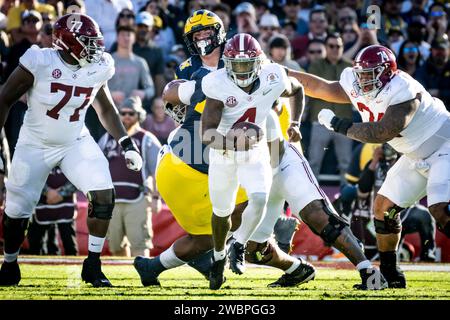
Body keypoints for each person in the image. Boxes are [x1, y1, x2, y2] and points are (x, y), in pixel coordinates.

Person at [134, 10, 307, 290]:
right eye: (197, 34)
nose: (202, 38)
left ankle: (157, 266)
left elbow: (283, 86)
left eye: (206, 32)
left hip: (215, 153)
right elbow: (171, 94)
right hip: (199, 154)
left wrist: (280, 109)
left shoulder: (243, 57)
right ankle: (252, 237)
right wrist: (190, 94)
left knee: (216, 228)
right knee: (234, 214)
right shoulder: (199, 72)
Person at [287, 44, 450, 288]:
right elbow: (321, 87)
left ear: (386, 73)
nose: (362, 80)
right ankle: (390, 275)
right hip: (414, 155)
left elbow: (383, 131)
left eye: (369, 74)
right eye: (361, 73)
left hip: (443, 146)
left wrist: (337, 124)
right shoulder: (358, 81)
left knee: (440, 210)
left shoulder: (403, 89)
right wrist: (283, 74)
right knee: (383, 209)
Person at [0, 13, 143, 287]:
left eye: (96, 42)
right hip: (35, 143)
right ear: (67, 42)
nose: (95, 49)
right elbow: (5, 97)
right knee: (17, 211)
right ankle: (10, 262)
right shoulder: (40, 60)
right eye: (87, 43)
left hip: (75, 140)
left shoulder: (98, 66)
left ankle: (92, 264)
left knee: (103, 194)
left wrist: (126, 143)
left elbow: (104, 106)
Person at [99, 96, 161, 257]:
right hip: (112, 200)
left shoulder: (147, 139)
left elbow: (158, 171)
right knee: (116, 246)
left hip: (138, 198)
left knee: (140, 246)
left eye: (131, 113)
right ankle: (122, 278)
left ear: (139, 115)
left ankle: (141, 276)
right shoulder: (107, 138)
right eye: (123, 113)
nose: (126, 116)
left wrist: (156, 197)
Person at [306, 33, 353, 184]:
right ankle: (310, 196)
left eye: (338, 46)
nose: (334, 49)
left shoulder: (350, 67)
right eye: (331, 46)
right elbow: (309, 91)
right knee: (313, 162)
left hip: (344, 122)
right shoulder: (316, 65)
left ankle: (346, 197)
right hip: (319, 122)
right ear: (326, 47)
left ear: (342, 48)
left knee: (346, 163)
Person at [27, 167, 79, 256]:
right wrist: (47, 191)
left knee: (69, 243)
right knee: (36, 245)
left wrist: (62, 193)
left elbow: (79, 175)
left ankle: (74, 269)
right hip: (41, 205)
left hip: (66, 205)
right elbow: (31, 174)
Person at [109, 25, 155, 107]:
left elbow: (151, 89)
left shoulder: (140, 62)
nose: (126, 38)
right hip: (109, 108)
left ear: (134, 39)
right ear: (117, 38)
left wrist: (143, 93)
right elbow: (96, 87)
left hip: (131, 110)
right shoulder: (108, 61)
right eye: (122, 34)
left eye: (129, 35)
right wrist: (111, 94)